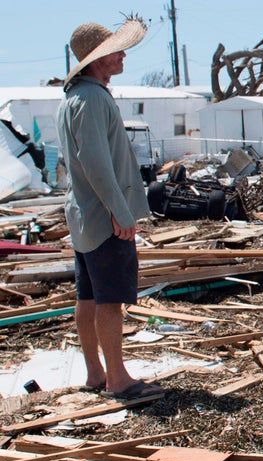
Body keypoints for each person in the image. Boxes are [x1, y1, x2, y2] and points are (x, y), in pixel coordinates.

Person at [57, 16, 164, 401]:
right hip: (103, 218)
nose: (122, 56)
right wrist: (121, 213)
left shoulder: (73, 98)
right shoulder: (91, 99)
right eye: (116, 51)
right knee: (109, 300)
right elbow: (96, 164)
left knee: (87, 297)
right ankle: (117, 379)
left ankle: (94, 373)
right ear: (97, 59)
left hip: (85, 216)